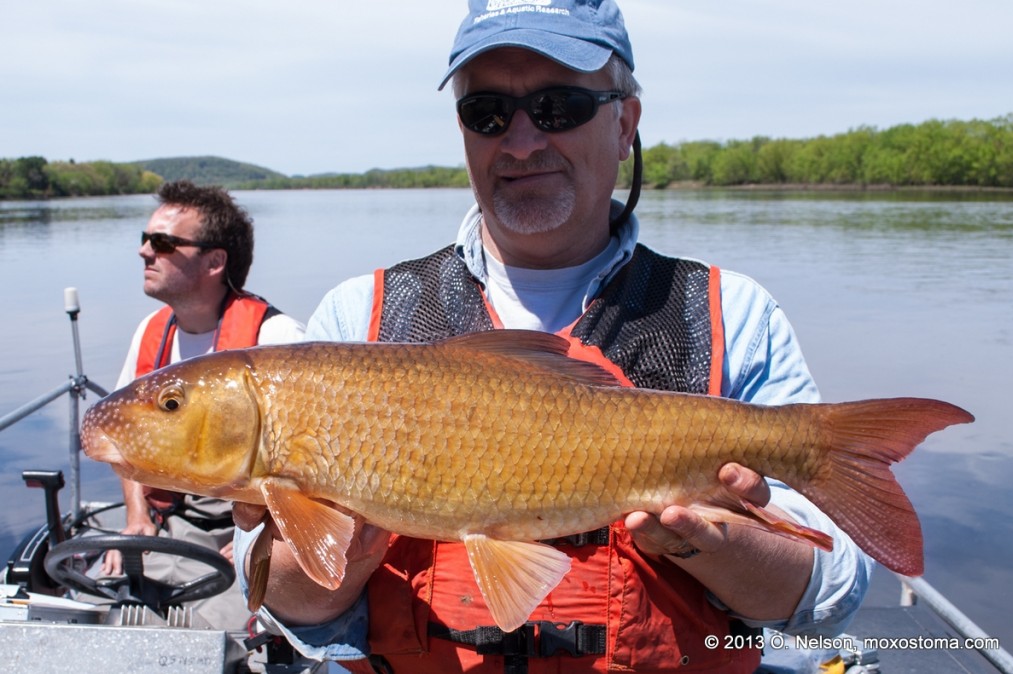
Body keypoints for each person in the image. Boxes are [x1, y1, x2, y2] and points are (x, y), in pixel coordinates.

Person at [234, 1, 871, 671]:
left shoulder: (731, 315)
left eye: (558, 107)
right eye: (487, 114)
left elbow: (831, 597)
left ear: (625, 122)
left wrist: (712, 542)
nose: (520, 141)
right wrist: (334, 562)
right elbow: (285, 604)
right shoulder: (357, 319)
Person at [103, 179, 305, 629]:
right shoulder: (151, 334)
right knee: (112, 609)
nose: (144, 251)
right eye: (145, 239)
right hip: (171, 515)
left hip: (244, 520)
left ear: (215, 261)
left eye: (162, 242)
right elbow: (123, 441)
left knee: (225, 631)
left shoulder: (276, 341)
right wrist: (137, 519)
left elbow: (311, 462)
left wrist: (263, 534)